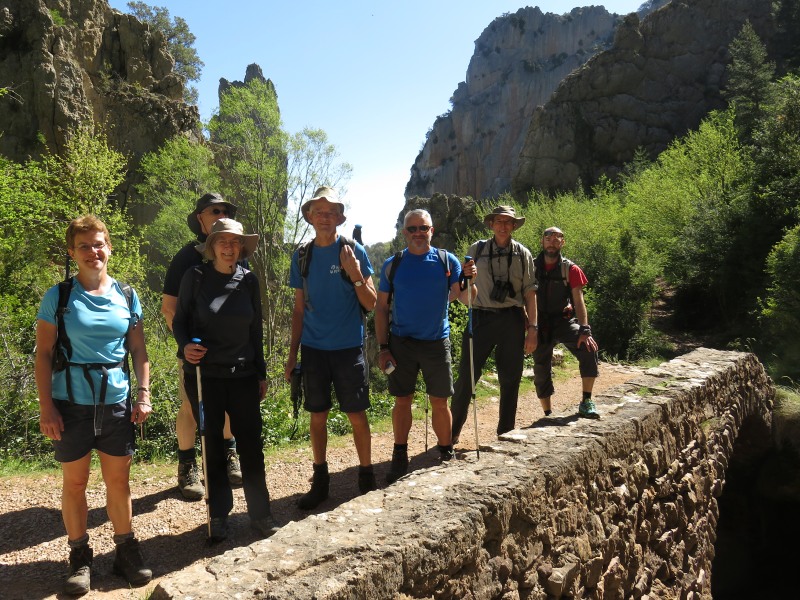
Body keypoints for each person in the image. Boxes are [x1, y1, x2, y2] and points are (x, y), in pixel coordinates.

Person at [35, 215, 152, 595]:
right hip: (70, 403)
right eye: (83, 246)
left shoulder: (128, 296)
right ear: (72, 252)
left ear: (110, 247)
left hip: (116, 403)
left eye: (98, 244)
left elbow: (138, 349)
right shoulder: (60, 296)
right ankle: (80, 556)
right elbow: (44, 354)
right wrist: (47, 407)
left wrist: (144, 393)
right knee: (76, 482)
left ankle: (125, 551)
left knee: (119, 481)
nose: (93, 251)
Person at [172, 218, 279, 542]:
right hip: (206, 376)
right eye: (223, 242)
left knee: (251, 448)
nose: (230, 248)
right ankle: (218, 515)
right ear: (212, 246)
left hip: (244, 375)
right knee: (214, 447)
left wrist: (261, 372)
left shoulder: (248, 280)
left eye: (235, 243)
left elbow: (255, 330)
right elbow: (180, 321)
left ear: (241, 247)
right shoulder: (196, 277)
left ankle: (260, 514)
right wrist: (185, 345)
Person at [285, 186, 378, 510]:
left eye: (331, 212)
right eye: (319, 212)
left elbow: (372, 301)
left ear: (340, 217)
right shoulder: (301, 256)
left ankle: (366, 478)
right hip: (313, 350)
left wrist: (354, 273)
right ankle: (320, 482)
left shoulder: (354, 252)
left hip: (348, 348)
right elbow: (298, 310)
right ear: (310, 216)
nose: (325, 218)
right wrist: (292, 353)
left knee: (356, 415)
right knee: (317, 417)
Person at [375, 209, 477, 483]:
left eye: (424, 228)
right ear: (404, 232)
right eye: (412, 229)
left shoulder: (447, 260)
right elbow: (381, 308)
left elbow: (465, 299)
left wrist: (469, 279)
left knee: (440, 400)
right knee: (402, 399)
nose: (418, 233)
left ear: (433, 230)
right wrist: (383, 347)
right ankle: (400, 455)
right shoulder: (392, 264)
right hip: (401, 343)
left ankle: (446, 451)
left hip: (436, 342)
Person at [161, 193, 242, 500]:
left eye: (225, 210)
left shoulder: (236, 253)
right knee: (191, 408)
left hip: (229, 350)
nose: (220, 214)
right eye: (214, 211)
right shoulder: (185, 258)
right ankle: (187, 467)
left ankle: (229, 455)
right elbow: (169, 308)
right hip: (195, 350)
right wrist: (186, 346)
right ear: (200, 219)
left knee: (228, 405)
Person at [450, 206, 538, 443]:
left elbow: (530, 293)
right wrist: (469, 277)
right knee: (466, 377)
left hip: (512, 318)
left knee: (511, 378)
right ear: (491, 225)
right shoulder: (476, 249)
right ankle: (452, 432)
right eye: (498, 221)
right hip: (480, 317)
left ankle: (505, 432)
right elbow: (465, 286)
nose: (503, 226)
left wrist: (533, 328)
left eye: (508, 222)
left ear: (513, 226)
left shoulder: (523, 254)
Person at [532, 226, 600, 418]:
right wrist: (528, 325)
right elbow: (523, 296)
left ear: (563, 242)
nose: (552, 241)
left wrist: (585, 330)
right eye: (548, 237)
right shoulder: (530, 267)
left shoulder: (570, 269)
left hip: (564, 321)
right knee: (540, 367)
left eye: (557, 238)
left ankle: (587, 401)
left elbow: (578, 301)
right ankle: (548, 413)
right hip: (540, 323)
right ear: (542, 241)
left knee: (588, 347)